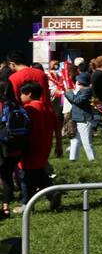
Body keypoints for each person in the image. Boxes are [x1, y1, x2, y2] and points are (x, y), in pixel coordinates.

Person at [17, 81, 58, 209]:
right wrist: (59, 144)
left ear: (29, 94)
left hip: (31, 146)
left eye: (21, 94)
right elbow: (57, 126)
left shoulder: (29, 109)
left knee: (26, 176)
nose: (20, 97)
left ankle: (26, 204)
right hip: (45, 145)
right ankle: (52, 192)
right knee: (39, 171)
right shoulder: (47, 107)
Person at [0, 79, 30, 219]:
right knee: (7, 176)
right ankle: (6, 207)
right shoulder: (17, 104)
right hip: (16, 145)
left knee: (5, 176)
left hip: (2, 146)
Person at [64, 71, 98, 161]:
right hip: (77, 118)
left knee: (86, 141)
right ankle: (73, 158)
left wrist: (68, 93)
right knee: (74, 140)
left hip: (84, 120)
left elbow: (77, 101)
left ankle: (92, 159)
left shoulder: (87, 91)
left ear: (80, 82)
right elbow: (74, 101)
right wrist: (68, 93)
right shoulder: (83, 90)